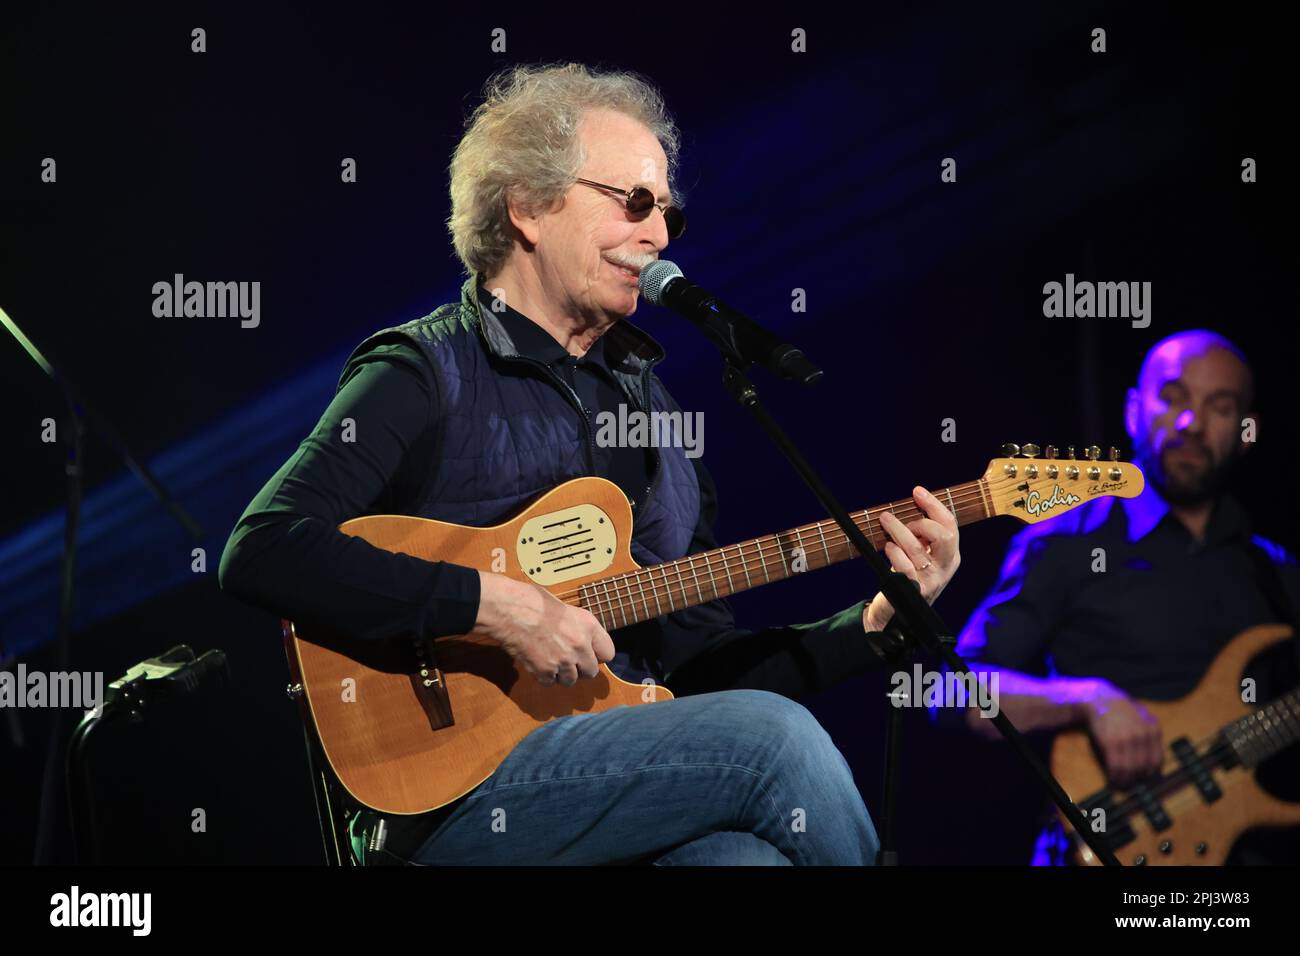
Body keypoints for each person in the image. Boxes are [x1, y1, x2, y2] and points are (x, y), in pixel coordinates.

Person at [219, 63, 961, 865]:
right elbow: (264, 547)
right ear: (530, 206)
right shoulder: (427, 371)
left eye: (668, 212)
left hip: (614, 783)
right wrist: (495, 607)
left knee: (741, 863)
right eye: (636, 203)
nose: (661, 235)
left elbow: (700, 679)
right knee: (775, 742)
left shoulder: (656, 414)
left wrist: (872, 628)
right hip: (451, 804)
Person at [956, 329, 1300, 864]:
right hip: (1102, 847)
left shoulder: (1276, 573)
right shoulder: (1065, 540)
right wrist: (1086, 699)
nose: (1191, 423)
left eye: (1221, 406)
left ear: (1246, 431)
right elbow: (952, 692)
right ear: (1134, 410)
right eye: (1174, 397)